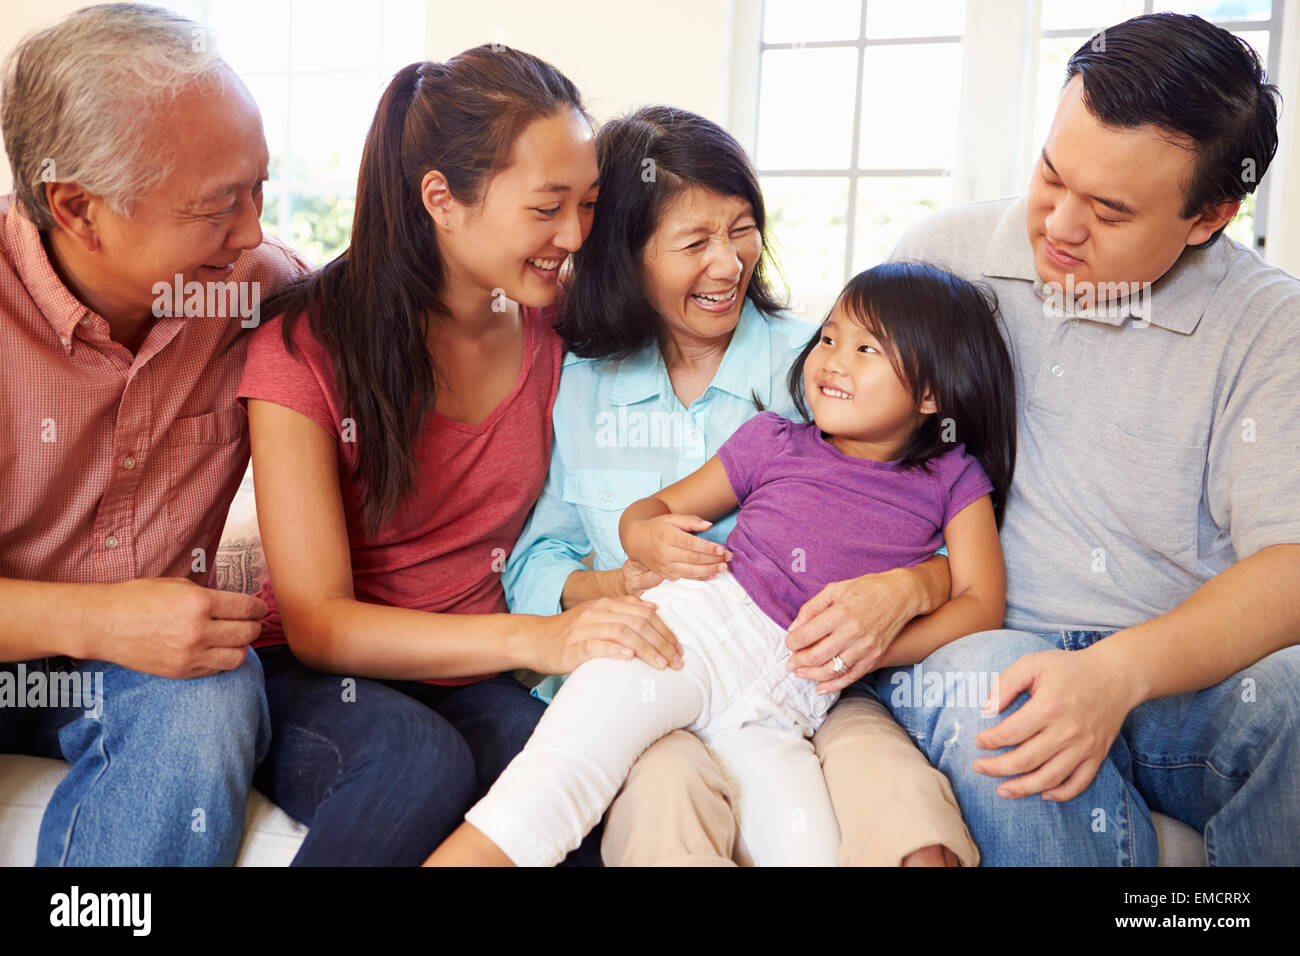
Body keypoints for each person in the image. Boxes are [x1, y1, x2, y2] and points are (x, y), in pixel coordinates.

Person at [503, 106, 981, 866]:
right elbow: (533, 561)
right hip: (659, 671)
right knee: (665, 802)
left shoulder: (825, 368)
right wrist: (612, 584)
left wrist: (911, 588)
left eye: (742, 230)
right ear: (628, 257)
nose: (729, 264)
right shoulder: (581, 385)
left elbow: (944, 511)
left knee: (902, 810)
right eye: (694, 242)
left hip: (821, 688)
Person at [875, 12, 1300, 865]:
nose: (1059, 226)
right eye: (1050, 174)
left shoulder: (1269, 323)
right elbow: (844, 464)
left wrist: (1119, 674)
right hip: (990, 647)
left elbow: (1288, 564)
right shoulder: (937, 260)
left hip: (1179, 677)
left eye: (1109, 209)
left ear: (1209, 216)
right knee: (1004, 708)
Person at [237, 47, 674, 865]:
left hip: (474, 675)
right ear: (441, 196)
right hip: (317, 680)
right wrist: (535, 640)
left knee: (559, 783)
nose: (573, 236)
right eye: (547, 208)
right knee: (415, 760)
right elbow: (320, 626)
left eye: (586, 204)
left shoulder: (561, 324)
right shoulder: (304, 348)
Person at [429, 260, 1017, 865]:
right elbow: (650, 510)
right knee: (555, 784)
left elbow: (981, 604)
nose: (833, 359)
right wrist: (646, 536)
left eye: (868, 348)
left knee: (809, 850)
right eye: (831, 337)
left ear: (931, 393)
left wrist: (875, 648)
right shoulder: (773, 441)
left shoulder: (954, 479)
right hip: (690, 634)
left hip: (790, 707)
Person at [0, 4, 307, 864]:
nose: (251, 233)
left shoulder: (258, 291)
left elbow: (414, 323)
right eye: (218, 207)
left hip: (136, 678)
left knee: (209, 688)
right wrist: (100, 620)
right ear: (79, 208)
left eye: (259, 190)